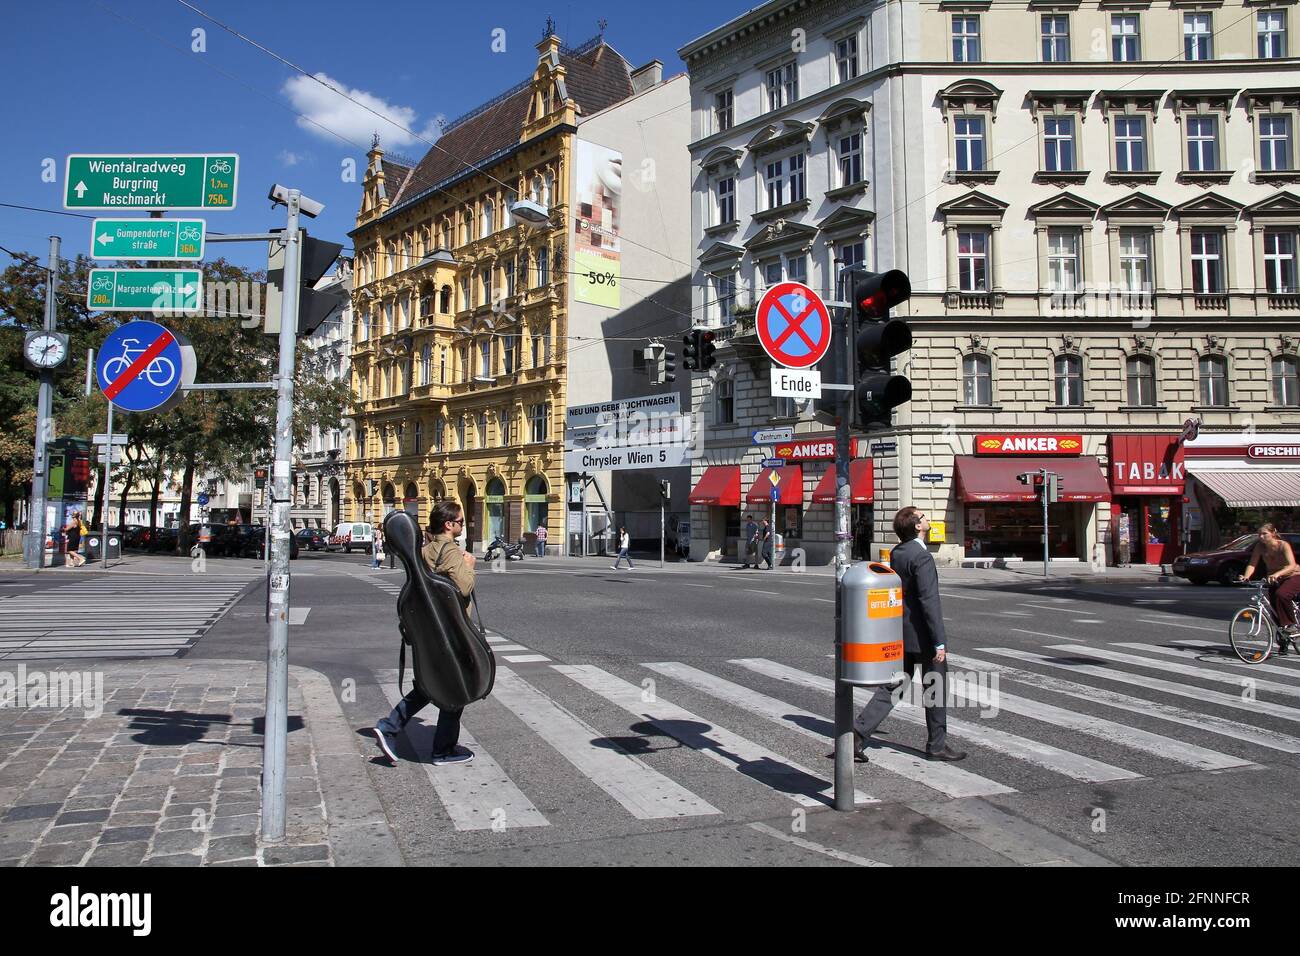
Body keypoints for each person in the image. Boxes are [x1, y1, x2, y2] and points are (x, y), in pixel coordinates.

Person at [852, 506, 967, 763]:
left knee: (893, 686)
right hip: (922, 635)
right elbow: (929, 601)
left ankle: (857, 736)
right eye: (924, 517)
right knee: (935, 688)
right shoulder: (922, 556)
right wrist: (939, 640)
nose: (927, 519)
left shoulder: (898, 552)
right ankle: (936, 745)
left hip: (901, 632)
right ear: (917, 526)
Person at [374, 500, 478, 766]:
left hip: (430, 631)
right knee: (455, 688)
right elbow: (464, 587)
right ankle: (441, 749)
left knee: (427, 685)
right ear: (448, 524)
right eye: (460, 522)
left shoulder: (425, 551)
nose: (462, 526)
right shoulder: (450, 550)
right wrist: (469, 565)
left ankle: (390, 726)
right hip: (452, 631)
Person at [1240, 524, 1300, 652]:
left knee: (1282, 595)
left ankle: (1291, 624)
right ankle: (1283, 639)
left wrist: (1277, 574)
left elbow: (1291, 565)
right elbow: (1252, 563)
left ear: (1273, 533)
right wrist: (1246, 576)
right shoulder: (1260, 547)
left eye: (1264, 534)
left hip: (1293, 576)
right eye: (1259, 534)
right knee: (1274, 609)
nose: (1261, 537)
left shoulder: (1283, 545)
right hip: (1273, 578)